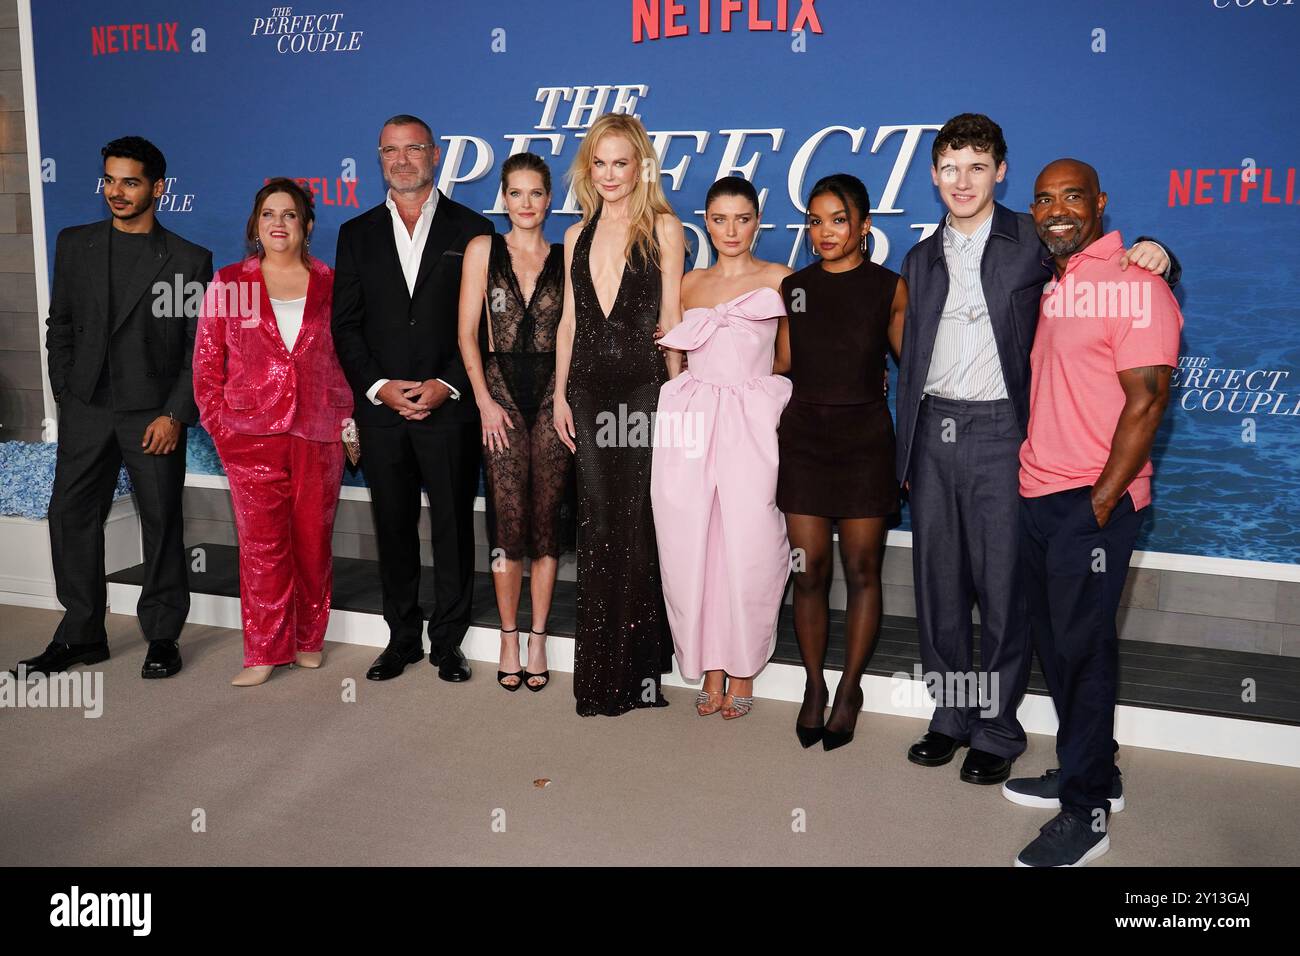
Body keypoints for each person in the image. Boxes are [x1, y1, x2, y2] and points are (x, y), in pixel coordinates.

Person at [895, 114, 1177, 785]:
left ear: (1001, 173)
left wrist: (1159, 249)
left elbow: (1111, 269)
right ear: (934, 177)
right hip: (934, 433)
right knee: (939, 587)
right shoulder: (917, 256)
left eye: (977, 166)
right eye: (951, 168)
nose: (963, 181)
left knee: (1003, 592)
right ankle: (951, 716)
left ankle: (997, 726)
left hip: (1004, 434)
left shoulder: (1034, 239)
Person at [1005, 159, 1181, 867]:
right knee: (1065, 647)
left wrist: (1102, 501)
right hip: (1039, 495)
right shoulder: (1060, 282)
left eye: (1071, 196)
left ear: (1101, 203)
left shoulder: (1139, 288)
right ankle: (1093, 769)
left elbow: (1148, 402)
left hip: (1092, 503)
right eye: (1043, 199)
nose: (1055, 210)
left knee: (1080, 655)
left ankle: (1086, 812)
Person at [15, 136, 212, 680]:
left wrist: (174, 414)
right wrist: (67, 393)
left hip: (152, 417)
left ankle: (163, 635)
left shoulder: (189, 259)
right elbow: (61, 325)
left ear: (158, 188)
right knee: (70, 516)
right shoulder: (74, 243)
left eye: (130, 181)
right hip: (87, 410)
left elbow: (200, 349)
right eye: (109, 180)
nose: (116, 192)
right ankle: (81, 633)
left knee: (161, 522)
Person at [331, 114, 493, 683]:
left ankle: (448, 641)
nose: (402, 160)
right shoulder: (355, 234)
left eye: (414, 149)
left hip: (449, 405)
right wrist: (379, 389)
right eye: (390, 151)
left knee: (452, 526)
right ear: (379, 159)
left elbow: (483, 325)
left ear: (435, 154)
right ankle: (401, 638)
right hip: (383, 411)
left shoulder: (473, 229)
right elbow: (345, 326)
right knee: (392, 525)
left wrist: (445, 384)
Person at [193, 178, 352, 686]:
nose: (278, 223)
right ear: (255, 225)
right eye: (268, 214)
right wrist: (224, 431)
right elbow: (206, 367)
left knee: (312, 541)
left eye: (289, 214)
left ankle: (308, 640)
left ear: (307, 225)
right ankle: (263, 650)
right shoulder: (231, 283)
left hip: (319, 433)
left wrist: (348, 423)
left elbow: (349, 359)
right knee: (262, 546)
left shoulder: (333, 284)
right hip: (249, 435)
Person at [553, 112, 685, 716]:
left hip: (644, 391)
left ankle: (636, 675)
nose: (609, 174)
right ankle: (599, 677)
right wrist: (559, 395)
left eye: (620, 163)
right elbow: (571, 324)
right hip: (587, 390)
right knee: (597, 526)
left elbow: (673, 322)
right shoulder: (576, 237)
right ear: (589, 168)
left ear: (641, 166)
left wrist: (679, 399)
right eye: (599, 163)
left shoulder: (664, 228)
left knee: (638, 527)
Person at [650, 176, 792, 719]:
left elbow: (788, 355)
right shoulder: (686, 283)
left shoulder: (781, 279)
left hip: (754, 416)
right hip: (690, 415)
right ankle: (708, 664)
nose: (731, 230)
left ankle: (744, 665)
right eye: (719, 219)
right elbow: (673, 354)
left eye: (742, 218)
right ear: (705, 223)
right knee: (691, 540)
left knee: (751, 539)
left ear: (758, 222)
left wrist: (751, 394)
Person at [779, 174, 906, 750]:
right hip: (805, 441)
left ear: (864, 225)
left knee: (861, 572)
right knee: (808, 573)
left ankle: (850, 689)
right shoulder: (794, 288)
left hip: (864, 444)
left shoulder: (889, 288)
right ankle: (813, 686)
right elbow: (780, 365)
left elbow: (918, 366)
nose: (822, 231)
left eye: (836, 219)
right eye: (813, 219)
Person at [457, 153, 570, 692]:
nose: (526, 204)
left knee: (546, 521)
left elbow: (570, 336)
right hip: (498, 395)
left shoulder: (567, 256)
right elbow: (466, 335)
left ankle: (540, 637)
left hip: (552, 396)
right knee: (507, 522)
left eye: (536, 194)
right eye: (516, 194)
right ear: (503, 199)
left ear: (550, 199)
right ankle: (508, 636)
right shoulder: (483, 249)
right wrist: (482, 401)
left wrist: (565, 397)